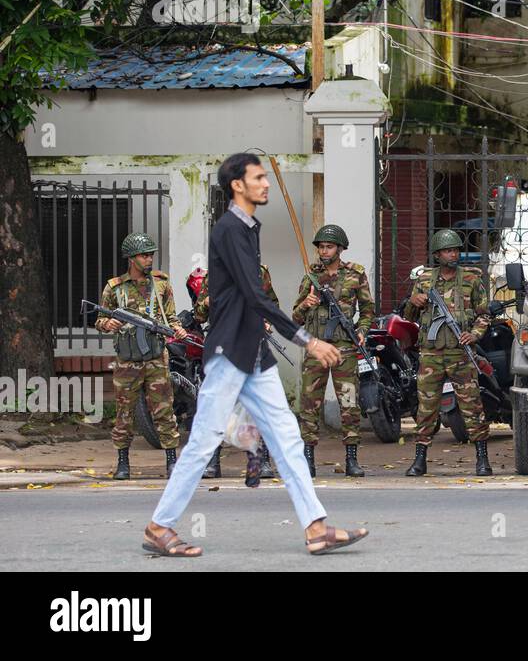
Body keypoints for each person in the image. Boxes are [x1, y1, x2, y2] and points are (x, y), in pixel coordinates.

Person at [141, 153, 368, 557]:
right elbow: (253, 294)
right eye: (258, 177)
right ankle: (160, 526)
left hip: (254, 353)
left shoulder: (249, 226)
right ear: (237, 186)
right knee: (202, 442)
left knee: (287, 438)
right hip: (230, 351)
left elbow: (254, 298)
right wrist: (307, 341)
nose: (265, 183)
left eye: (266, 177)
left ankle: (316, 527)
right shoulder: (229, 229)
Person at [403, 229, 494, 478]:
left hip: (460, 354)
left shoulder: (472, 279)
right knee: (426, 409)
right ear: (437, 254)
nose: (452, 254)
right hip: (430, 355)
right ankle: (420, 460)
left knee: (472, 407)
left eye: (455, 249)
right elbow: (408, 317)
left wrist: (474, 334)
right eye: (447, 250)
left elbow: (484, 313)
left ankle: (482, 459)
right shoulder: (424, 280)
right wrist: (415, 301)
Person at [96, 233, 185, 480]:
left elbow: (171, 317)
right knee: (124, 412)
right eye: (144, 255)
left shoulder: (161, 285)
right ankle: (123, 462)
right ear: (131, 259)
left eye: (151, 255)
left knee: (164, 410)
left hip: (156, 358)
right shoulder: (115, 288)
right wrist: (109, 324)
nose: (149, 259)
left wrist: (177, 328)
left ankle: (171, 461)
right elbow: (99, 321)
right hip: (127, 361)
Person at [292, 224, 376, 478]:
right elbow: (294, 318)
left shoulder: (355, 275)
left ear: (340, 248)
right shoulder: (310, 279)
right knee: (309, 404)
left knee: (349, 403)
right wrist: (306, 304)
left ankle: (352, 458)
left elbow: (368, 309)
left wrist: (362, 330)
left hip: (344, 350)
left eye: (328, 246)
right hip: (316, 349)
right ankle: (308, 459)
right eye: (320, 247)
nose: (323, 251)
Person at [190, 264, 282, 482]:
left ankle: (260, 460)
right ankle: (213, 460)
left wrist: (267, 321)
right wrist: (205, 304)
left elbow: (271, 304)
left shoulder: (258, 271)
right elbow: (199, 316)